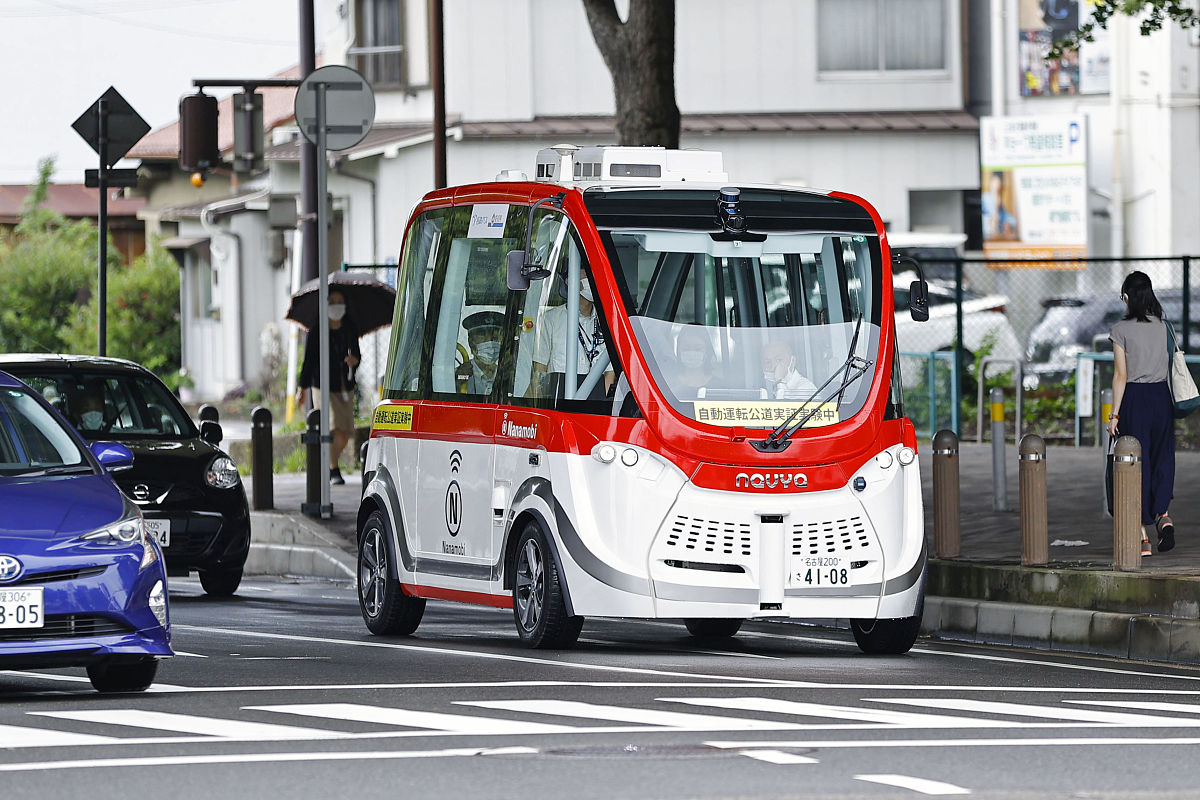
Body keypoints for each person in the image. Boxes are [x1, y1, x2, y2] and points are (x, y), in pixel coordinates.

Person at [1107, 271, 1176, 555]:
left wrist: (1114, 415)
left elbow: (1120, 376)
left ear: (1126, 297)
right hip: (1161, 398)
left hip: (1135, 400)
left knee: (1134, 463)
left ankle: (1142, 538)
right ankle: (1164, 516)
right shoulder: (1164, 327)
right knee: (1161, 458)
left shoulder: (1120, 330)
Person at [297, 289, 361, 485]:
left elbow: (357, 355)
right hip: (322, 385)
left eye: (340, 300)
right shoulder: (317, 330)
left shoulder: (349, 328)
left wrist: (354, 360)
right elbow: (308, 362)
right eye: (332, 301)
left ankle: (325, 462)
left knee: (346, 433)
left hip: (344, 386)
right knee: (333, 428)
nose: (336, 305)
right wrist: (302, 388)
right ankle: (334, 470)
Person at [531, 274, 615, 398]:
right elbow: (540, 368)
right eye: (587, 278)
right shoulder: (550, 319)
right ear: (569, 281)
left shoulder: (608, 321)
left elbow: (610, 372)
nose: (592, 283)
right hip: (558, 396)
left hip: (596, 399)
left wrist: (600, 401)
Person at [456, 310, 504, 396]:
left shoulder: (508, 376)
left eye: (495, 337)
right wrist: (459, 379)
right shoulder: (459, 375)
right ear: (471, 342)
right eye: (483, 336)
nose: (490, 342)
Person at [672, 325, 716, 400]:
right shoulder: (668, 385)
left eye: (698, 348)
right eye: (686, 348)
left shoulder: (718, 387)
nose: (691, 352)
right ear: (678, 351)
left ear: (707, 352)